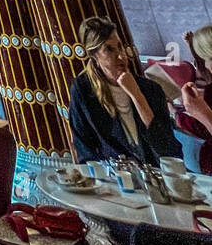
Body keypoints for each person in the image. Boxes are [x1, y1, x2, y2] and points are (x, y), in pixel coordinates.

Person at [68, 17, 182, 166]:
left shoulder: (150, 89)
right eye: (109, 49)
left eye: (120, 47)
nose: (121, 56)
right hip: (114, 178)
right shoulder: (83, 90)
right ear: (94, 56)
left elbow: (169, 151)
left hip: (156, 174)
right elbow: (84, 147)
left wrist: (136, 95)